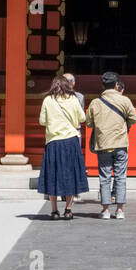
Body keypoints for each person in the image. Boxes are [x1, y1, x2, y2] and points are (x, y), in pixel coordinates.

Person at [85, 71, 136, 220]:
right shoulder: (124, 100)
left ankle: (106, 210)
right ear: (116, 85)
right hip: (120, 143)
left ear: (102, 86)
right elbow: (134, 118)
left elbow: (88, 123)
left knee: (105, 176)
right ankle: (120, 210)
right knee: (120, 176)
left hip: (103, 144)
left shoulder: (95, 102)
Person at [37, 74, 89, 219]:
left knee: (53, 174)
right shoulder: (73, 99)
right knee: (71, 174)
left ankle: (54, 210)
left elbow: (42, 121)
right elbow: (82, 118)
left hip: (53, 141)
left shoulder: (48, 100)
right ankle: (68, 209)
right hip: (71, 141)